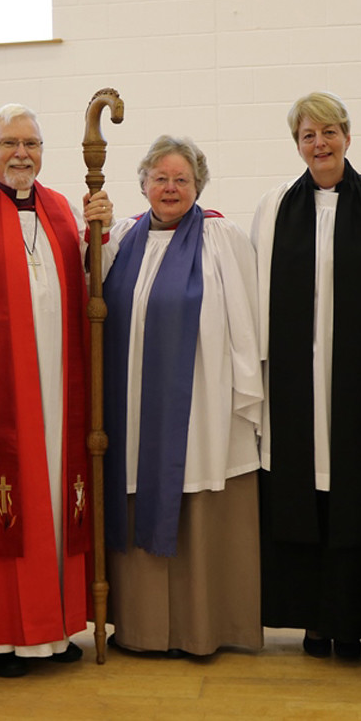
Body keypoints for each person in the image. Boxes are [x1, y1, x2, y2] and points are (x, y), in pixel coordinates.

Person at [250, 91, 361, 659]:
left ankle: (350, 620)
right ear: (296, 144)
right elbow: (259, 295)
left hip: (359, 382)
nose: (319, 144)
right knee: (301, 494)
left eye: (328, 132)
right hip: (297, 383)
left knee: (354, 493)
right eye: (307, 136)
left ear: (348, 136)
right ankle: (311, 620)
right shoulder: (277, 203)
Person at [86, 135, 263, 657]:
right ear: (142, 184)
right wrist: (89, 232)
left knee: (197, 499)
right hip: (133, 412)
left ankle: (203, 629)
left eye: (181, 179)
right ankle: (140, 629)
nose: (170, 188)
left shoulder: (220, 237)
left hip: (201, 409)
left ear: (198, 186)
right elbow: (86, 283)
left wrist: (245, 392)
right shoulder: (120, 236)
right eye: (160, 178)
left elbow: (248, 323)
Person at [0, 104, 96, 678]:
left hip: (58, 392)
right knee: (2, 510)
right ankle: (2, 637)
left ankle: (50, 630)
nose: (21, 153)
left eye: (31, 142)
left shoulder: (57, 209)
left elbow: (80, 286)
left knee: (56, 501)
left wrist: (96, 233)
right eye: (9, 143)